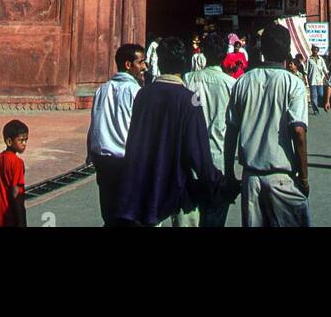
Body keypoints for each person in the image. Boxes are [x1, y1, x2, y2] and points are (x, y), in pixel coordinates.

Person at [114, 35, 224, 226]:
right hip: (179, 193)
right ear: (184, 64)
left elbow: (134, 142)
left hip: (147, 192)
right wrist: (215, 182)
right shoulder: (190, 99)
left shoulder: (143, 95)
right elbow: (198, 153)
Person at [224, 22, 310, 227]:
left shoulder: (242, 82)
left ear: (261, 50)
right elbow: (298, 132)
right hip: (281, 176)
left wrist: (229, 172)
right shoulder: (293, 83)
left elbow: (231, 131)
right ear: (287, 51)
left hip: (251, 177)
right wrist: (304, 178)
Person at [87, 42, 146, 225]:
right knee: (129, 217)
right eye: (141, 62)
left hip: (104, 162)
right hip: (126, 163)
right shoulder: (135, 91)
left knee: (111, 216)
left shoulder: (102, 90)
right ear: (128, 65)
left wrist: (91, 154)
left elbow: (94, 124)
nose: (144, 67)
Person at [185, 31, 236, 227]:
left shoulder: (189, 79)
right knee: (215, 218)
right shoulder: (231, 84)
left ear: (203, 53)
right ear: (225, 54)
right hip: (219, 161)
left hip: (191, 161)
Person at [0, 120, 28, 227]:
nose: (24, 144)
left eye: (26, 140)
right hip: (11, 216)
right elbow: (16, 192)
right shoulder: (17, 163)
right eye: (21, 140)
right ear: (9, 141)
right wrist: (21, 220)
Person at [306, 45, 329, 115]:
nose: (315, 51)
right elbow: (306, 71)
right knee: (314, 96)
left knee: (321, 94)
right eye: (314, 50)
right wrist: (306, 79)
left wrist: (328, 77)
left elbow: (325, 69)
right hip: (312, 80)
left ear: (318, 51)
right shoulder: (309, 60)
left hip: (320, 81)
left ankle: (318, 105)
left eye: (316, 50)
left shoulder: (321, 59)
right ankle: (315, 110)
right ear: (312, 50)